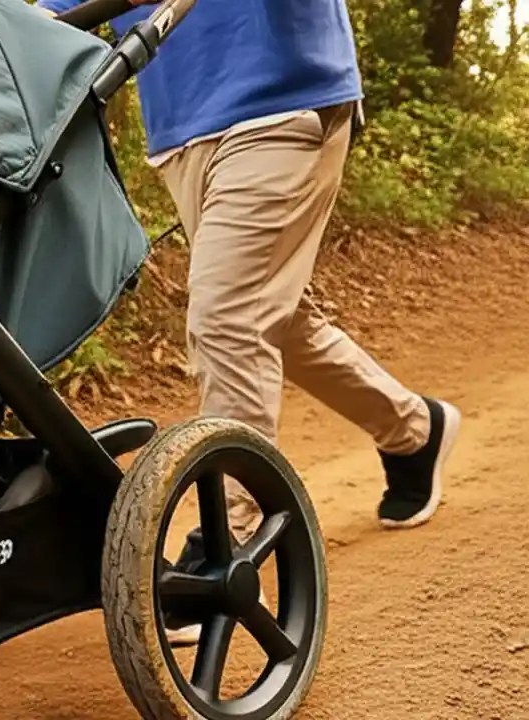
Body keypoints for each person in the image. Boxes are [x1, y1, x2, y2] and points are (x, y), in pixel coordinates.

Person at [38, 0, 462, 638]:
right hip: (184, 126)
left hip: (283, 101)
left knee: (230, 317)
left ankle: (229, 540)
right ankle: (413, 429)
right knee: (276, 316)